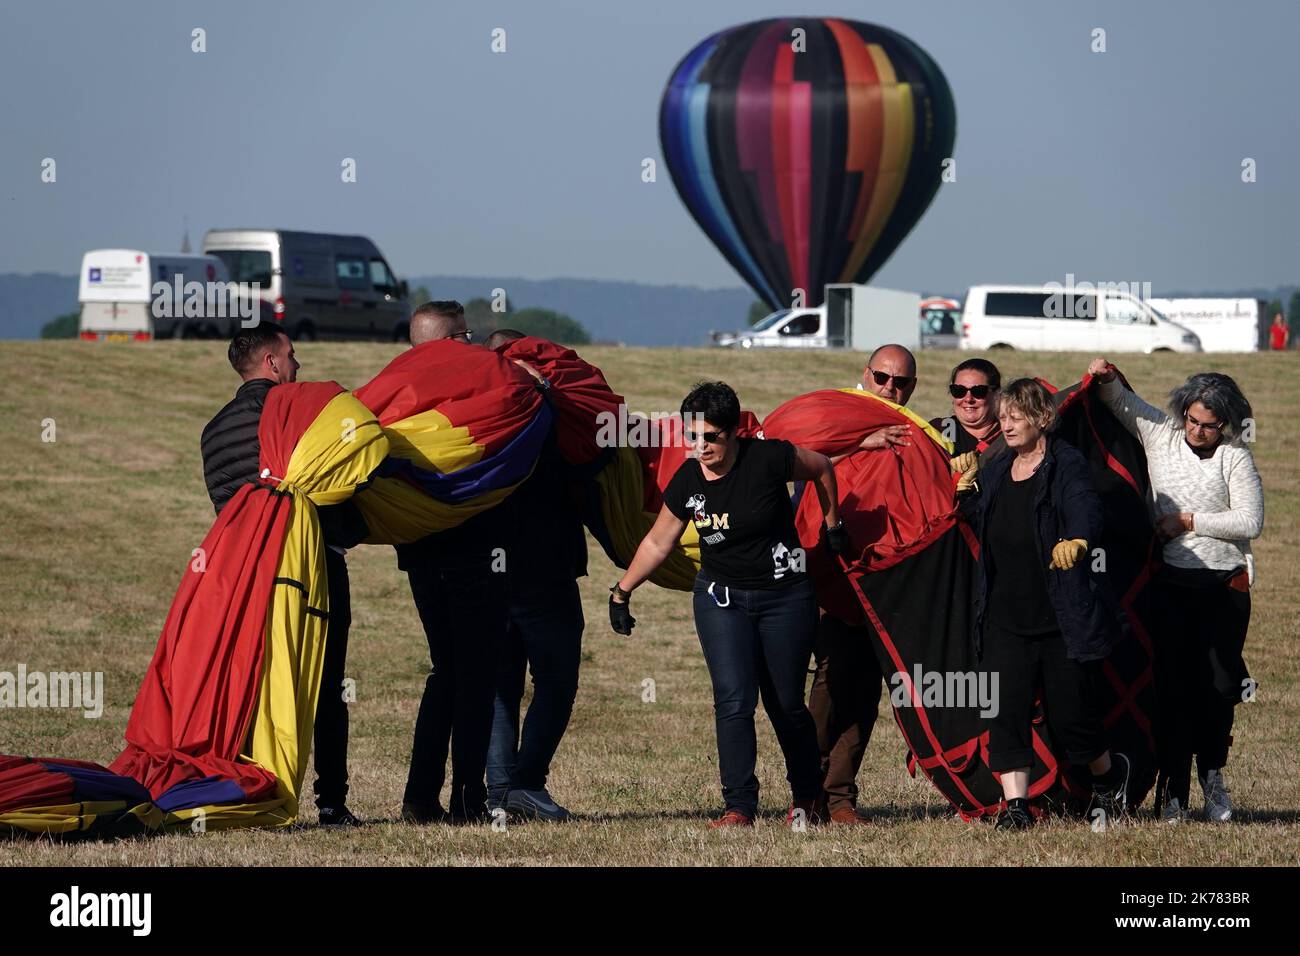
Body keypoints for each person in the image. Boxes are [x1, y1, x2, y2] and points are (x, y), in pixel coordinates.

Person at [609, 382, 848, 827]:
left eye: (710, 437)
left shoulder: (770, 459)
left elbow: (822, 466)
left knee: (785, 704)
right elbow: (659, 540)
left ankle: (808, 798)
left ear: (735, 432)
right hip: (721, 599)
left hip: (785, 597)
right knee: (734, 701)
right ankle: (739, 806)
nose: (700, 447)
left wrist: (834, 523)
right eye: (692, 436)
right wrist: (622, 591)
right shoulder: (688, 478)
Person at [200, 322, 368, 827]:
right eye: (292, 356)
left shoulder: (213, 430)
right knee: (326, 684)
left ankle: (249, 787)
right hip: (308, 566)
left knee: (254, 680)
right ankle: (331, 803)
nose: (298, 366)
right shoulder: (291, 415)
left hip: (244, 572)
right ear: (272, 363)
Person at [1087, 359, 1263, 822]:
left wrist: (1188, 521)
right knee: (1174, 688)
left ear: (1226, 424)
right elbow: (1120, 403)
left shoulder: (1235, 456)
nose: (1198, 430)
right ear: (1183, 410)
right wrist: (1103, 376)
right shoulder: (1162, 433)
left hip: (1225, 584)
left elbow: (1252, 521)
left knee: (1221, 686)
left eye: (1210, 425)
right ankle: (1173, 791)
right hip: (1171, 584)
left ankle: (1213, 777)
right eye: (1192, 419)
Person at [975, 378, 1130, 830]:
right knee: (1005, 713)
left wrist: (1079, 539)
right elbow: (981, 521)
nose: (1006, 424)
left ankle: (1108, 779)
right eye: (1002, 417)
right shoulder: (998, 468)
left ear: (1042, 418)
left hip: (1061, 617)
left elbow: (1084, 506)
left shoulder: (1066, 465)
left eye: (1015, 416)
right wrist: (964, 489)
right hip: (1004, 616)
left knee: (1072, 719)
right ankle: (1016, 808)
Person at [399, 300, 514, 824]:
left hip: (421, 552)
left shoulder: (395, 389)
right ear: (456, 340)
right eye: (465, 336)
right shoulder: (482, 379)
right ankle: (468, 797)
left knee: (445, 670)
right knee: (475, 674)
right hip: (476, 551)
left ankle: (421, 796)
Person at [804, 343, 918, 824]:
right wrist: (858, 442)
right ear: (864, 373)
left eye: (902, 382)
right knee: (829, 681)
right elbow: (789, 448)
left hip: (883, 578)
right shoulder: (833, 413)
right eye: (883, 378)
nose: (891, 388)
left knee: (866, 688)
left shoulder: (914, 433)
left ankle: (840, 797)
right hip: (826, 570)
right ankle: (807, 790)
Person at [482, 329, 588, 822]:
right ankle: (524, 783)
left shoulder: (477, 415)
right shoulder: (546, 413)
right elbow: (596, 453)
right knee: (555, 679)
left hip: (487, 569)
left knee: (501, 682)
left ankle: (500, 791)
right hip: (545, 569)